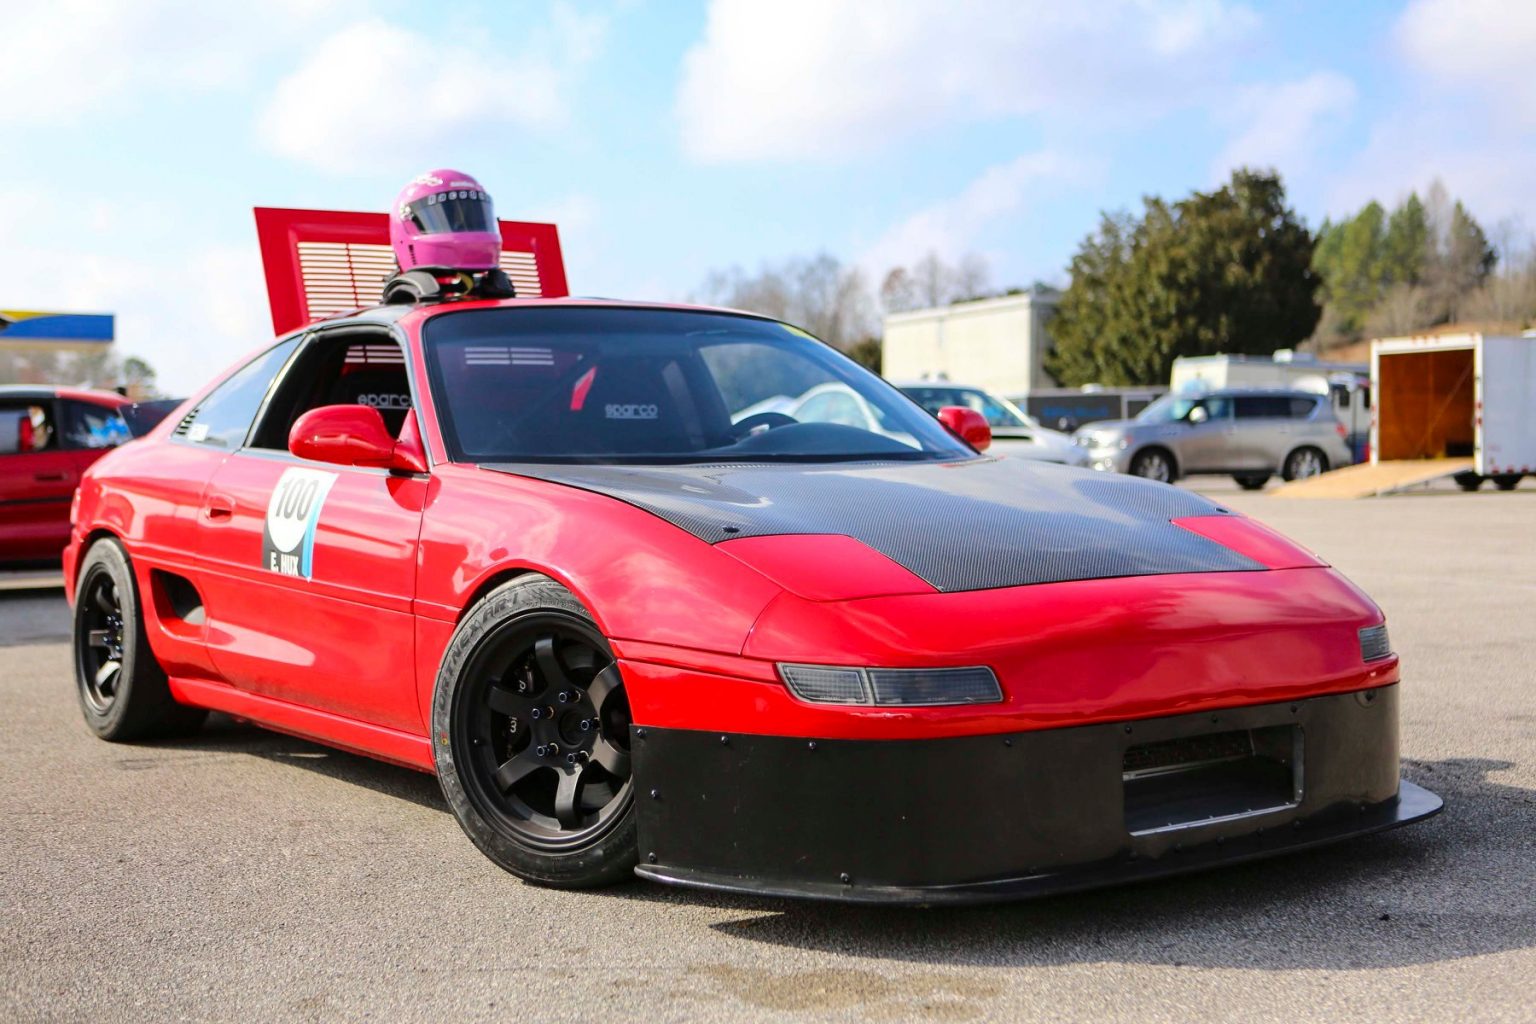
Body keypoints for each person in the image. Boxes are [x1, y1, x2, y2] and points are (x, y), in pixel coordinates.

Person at [383, 169, 515, 303]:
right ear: (408, 222)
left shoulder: (497, 287)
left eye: (473, 218)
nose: (467, 231)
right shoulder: (413, 297)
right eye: (451, 220)